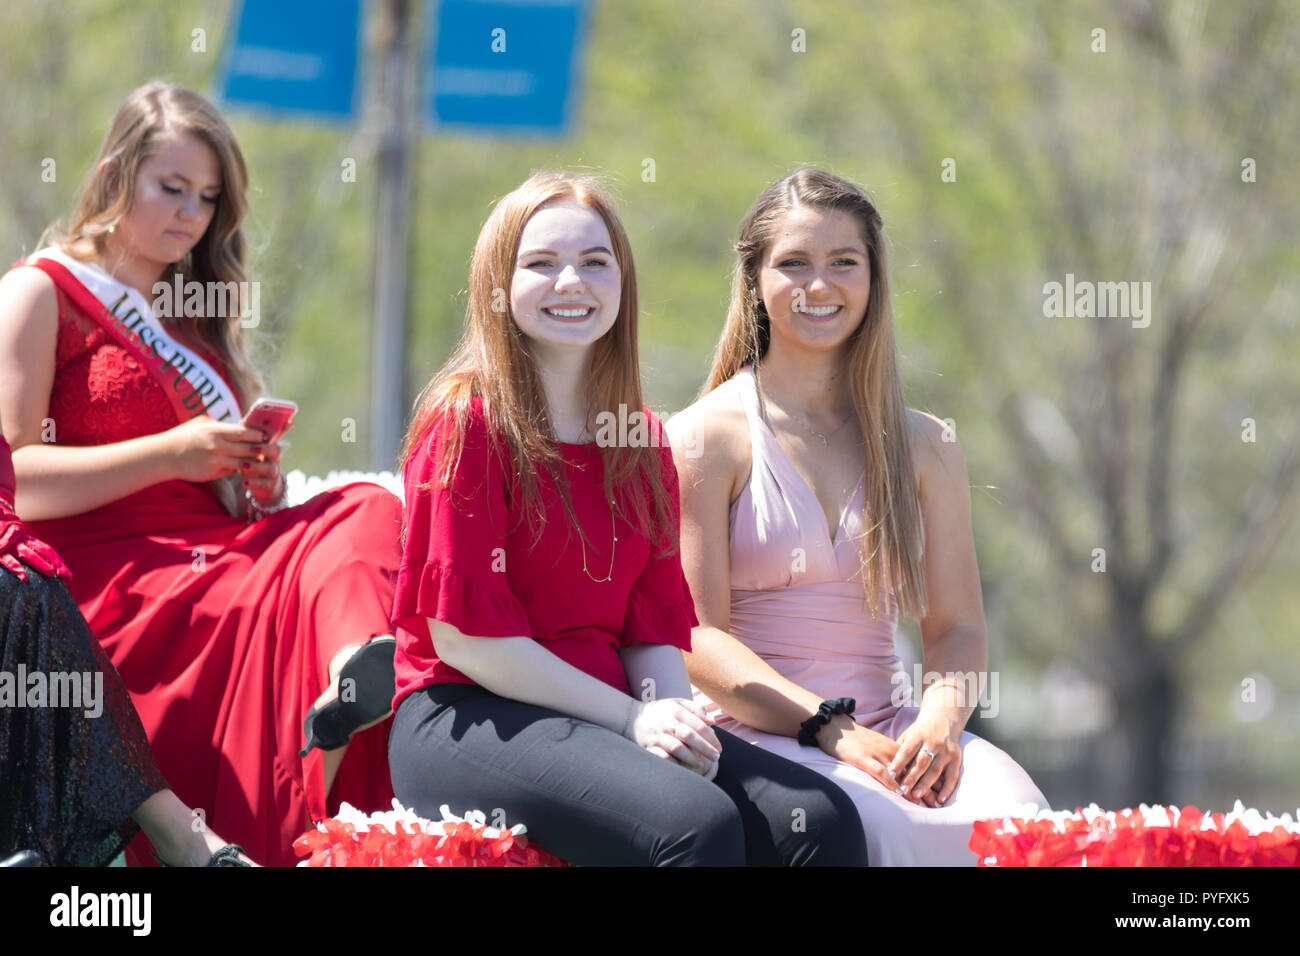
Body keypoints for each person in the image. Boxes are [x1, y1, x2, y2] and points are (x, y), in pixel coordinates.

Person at [387, 171, 869, 866]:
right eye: (541, 264)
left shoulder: (638, 440)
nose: (571, 283)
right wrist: (633, 718)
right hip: (469, 713)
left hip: (608, 712)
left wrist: (675, 722)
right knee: (694, 825)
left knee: (818, 818)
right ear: (500, 282)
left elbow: (649, 635)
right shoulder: (468, 423)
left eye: (594, 262)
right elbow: (467, 641)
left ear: (622, 282)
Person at [0, 82, 399, 867]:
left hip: (217, 549)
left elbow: (221, 483)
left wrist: (250, 479)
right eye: (172, 188)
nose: (191, 213)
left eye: (209, 198)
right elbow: (14, 481)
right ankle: (300, 801)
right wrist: (172, 453)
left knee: (370, 504)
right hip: (108, 577)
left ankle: (349, 687)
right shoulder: (38, 292)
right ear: (116, 175)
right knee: (298, 561)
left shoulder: (196, 321)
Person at [668, 168, 1047, 866]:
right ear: (754, 280)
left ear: (873, 279)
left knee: (1018, 823)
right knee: (883, 828)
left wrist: (939, 721)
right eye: (793, 264)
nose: (821, 285)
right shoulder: (704, 438)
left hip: (892, 726)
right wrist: (827, 728)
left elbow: (957, 628)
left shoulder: (928, 444)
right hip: (761, 733)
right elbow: (697, 641)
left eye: (845, 262)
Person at [1, 427, 255, 867]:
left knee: (26, 584)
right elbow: (24, 459)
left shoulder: (224, 361)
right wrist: (171, 453)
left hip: (192, 544)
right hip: (105, 550)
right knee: (27, 585)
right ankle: (181, 840)